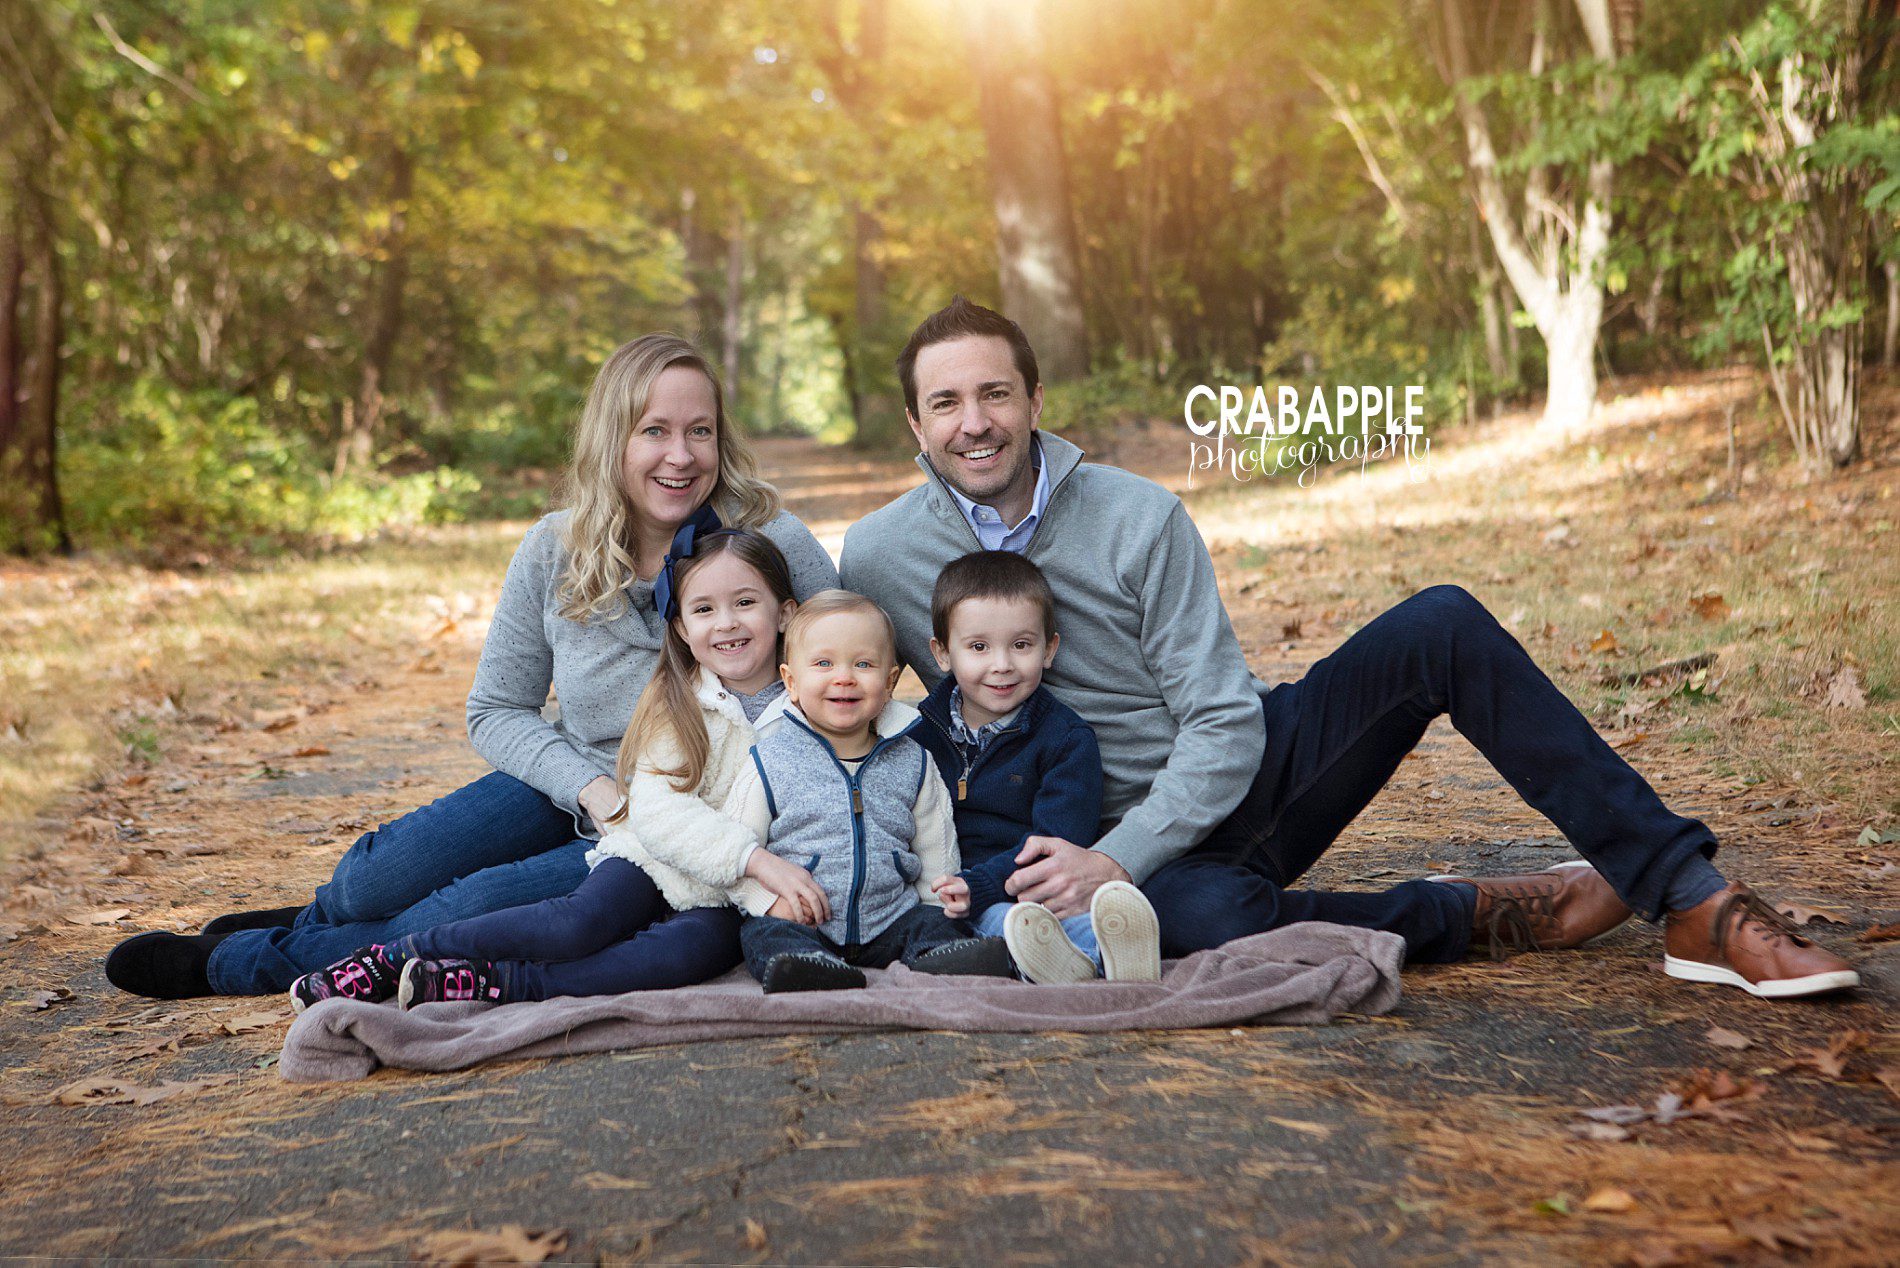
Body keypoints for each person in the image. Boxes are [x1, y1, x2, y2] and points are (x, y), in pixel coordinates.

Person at [840, 296, 1860, 1000]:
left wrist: (1124, 848)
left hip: (1222, 785)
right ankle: (1479, 911)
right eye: (945, 403)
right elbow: (787, 650)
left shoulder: (1137, 514)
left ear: (1033, 400)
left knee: (1440, 621)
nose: (974, 422)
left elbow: (1223, 717)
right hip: (1064, 859)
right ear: (914, 426)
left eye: (994, 394)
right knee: (1216, 914)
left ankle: (1692, 898)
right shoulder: (882, 554)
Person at [106, 334, 840, 999]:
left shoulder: (771, 540)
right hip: (571, 777)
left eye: (699, 431)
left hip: (675, 819)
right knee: (373, 881)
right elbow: (496, 709)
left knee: (448, 915)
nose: (680, 456)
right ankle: (314, 920)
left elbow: (845, 672)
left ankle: (232, 964)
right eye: (654, 431)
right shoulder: (557, 547)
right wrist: (588, 788)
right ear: (611, 441)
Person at [286, 529, 828, 1010]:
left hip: (731, 895)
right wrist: (756, 866)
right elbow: (658, 812)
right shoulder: (679, 705)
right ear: (682, 630)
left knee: (685, 956)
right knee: (577, 923)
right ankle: (400, 955)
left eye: (746, 603)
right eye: (704, 610)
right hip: (652, 854)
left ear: (785, 613)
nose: (727, 623)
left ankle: (497, 983)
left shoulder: (816, 708)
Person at [724, 590, 1014, 993]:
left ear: (890, 681)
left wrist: (938, 900)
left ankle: (942, 956)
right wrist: (766, 903)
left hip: (892, 916)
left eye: (863, 664)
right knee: (763, 934)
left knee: (932, 924)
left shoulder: (913, 759)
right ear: (791, 681)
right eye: (823, 663)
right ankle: (807, 967)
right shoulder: (769, 761)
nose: (844, 676)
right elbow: (736, 848)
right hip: (802, 919)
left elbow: (934, 836)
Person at [918, 550, 1160, 984]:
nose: (1002, 665)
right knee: (988, 926)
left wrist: (985, 884)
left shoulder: (1065, 740)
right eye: (978, 647)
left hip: (1033, 885)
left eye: (1022, 645)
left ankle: (1115, 952)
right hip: (946, 895)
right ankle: (1069, 962)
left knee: (1042, 919)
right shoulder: (920, 735)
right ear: (942, 653)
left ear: (1049, 649)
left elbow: (1056, 841)